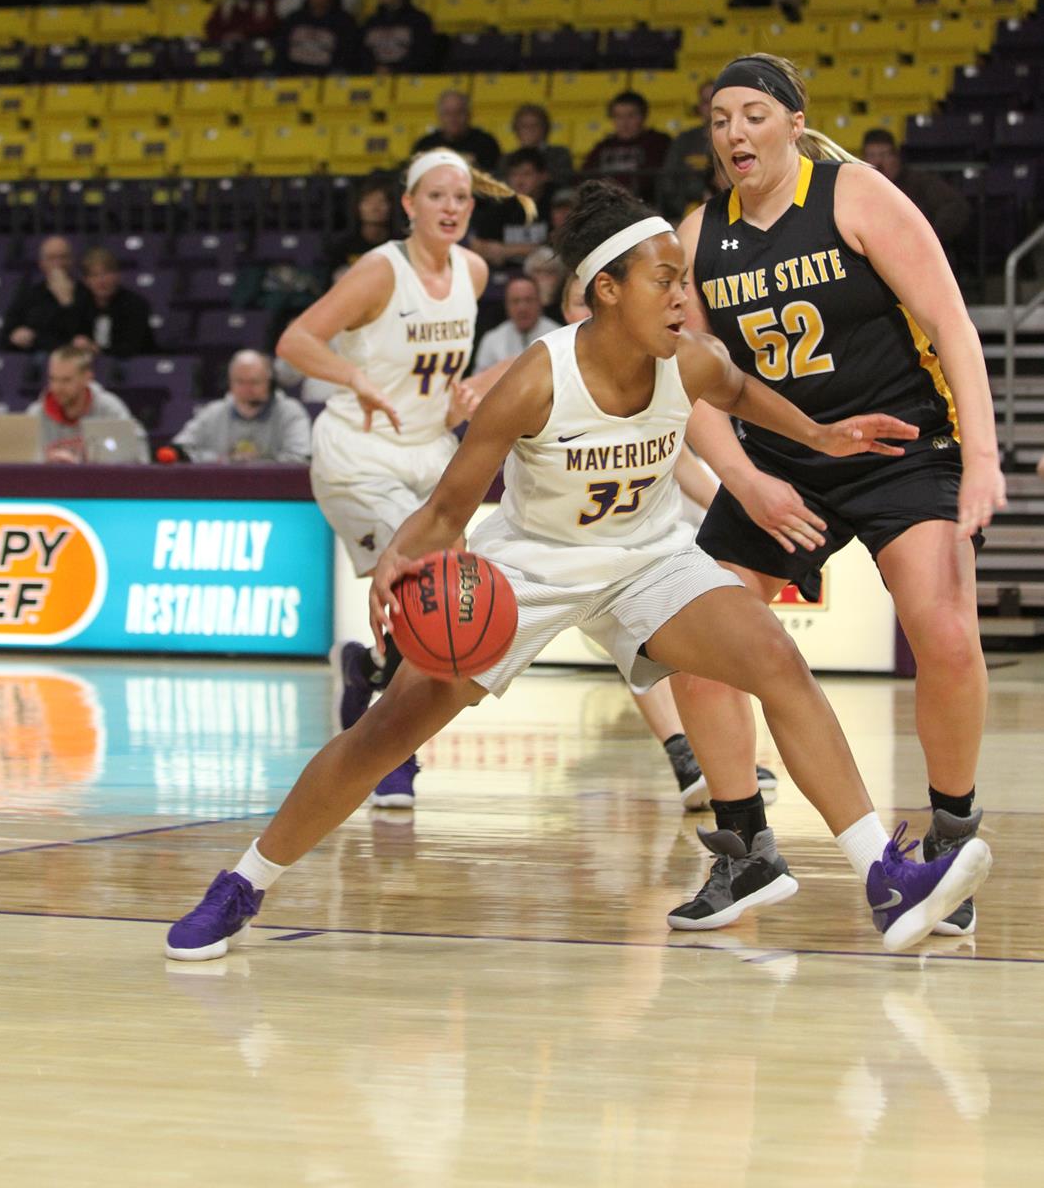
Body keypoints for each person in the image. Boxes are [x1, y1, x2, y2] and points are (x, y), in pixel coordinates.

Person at [164, 179, 992, 960]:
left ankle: (882, 876)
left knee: (775, 659)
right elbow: (453, 507)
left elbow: (739, 390)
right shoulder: (533, 382)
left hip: (645, 559)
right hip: (530, 571)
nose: (681, 296)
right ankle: (244, 883)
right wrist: (403, 559)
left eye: (683, 280)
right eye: (663, 280)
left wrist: (818, 438)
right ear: (606, 291)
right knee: (381, 734)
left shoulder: (686, 357)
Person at [677, 52, 1004, 938]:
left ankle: (949, 838)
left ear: (791, 119)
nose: (734, 133)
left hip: (902, 447)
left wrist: (980, 456)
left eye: (751, 114)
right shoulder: (700, 233)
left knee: (942, 633)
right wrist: (746, 479)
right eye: (719, 120)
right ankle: (745, 852)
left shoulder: (853, 196)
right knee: (697, 647)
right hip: (784, 464)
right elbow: (693, 382)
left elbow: (949, 322)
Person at [267, 148, 527, 812]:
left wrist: (465, 392)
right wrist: (353, 376)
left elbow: (444, 374)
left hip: (429, 449)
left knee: (445, 596)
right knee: (420, 583)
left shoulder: (471, 271)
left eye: (461, 198)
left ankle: (366, 672)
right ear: (407, 204)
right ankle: (393, 754)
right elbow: (295, 341)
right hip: (359, 451)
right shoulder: (380, 270)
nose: (451, 208)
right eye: (436, 196)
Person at [559, 270, 774, 812]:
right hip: (571, 547)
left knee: (694, 640)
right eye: (577, 309)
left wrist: (742, 508)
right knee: (649, 642)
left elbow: (683, 464)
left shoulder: (650, 371)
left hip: (653, 533)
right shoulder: (550, 370)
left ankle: (709, 758)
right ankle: (692, 755)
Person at [171, 350, 311, 464]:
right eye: (240, 382)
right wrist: (223, 461)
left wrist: (256, 464)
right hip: (220, 490)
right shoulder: (213, 411)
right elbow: (180, 450)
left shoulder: (290, 412)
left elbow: (301, 459)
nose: (246, 388)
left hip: (275, 490)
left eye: (254, 382)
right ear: (229, 382)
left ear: (270, 382)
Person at [26, 345, 149, 464]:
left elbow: (138, 458)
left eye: (66, 380)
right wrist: (46, 463)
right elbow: (21, 467)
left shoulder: (109, 409)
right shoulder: (35, 414)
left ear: (87, 377)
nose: (57, 387)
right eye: (53, 379)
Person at [860, 128, 971, 257]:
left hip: (920, 255)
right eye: (871, 156)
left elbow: (956, 205)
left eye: (884, 155)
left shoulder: (919, 181)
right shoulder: (859, 189)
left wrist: (930, 237)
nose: (878, 162)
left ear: (896, 156)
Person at [468, 148, 553, 270]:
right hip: (505, 275)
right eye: (514, 174)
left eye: (526, 174)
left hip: (544, 273)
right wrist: (532, 249)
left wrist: (504, 250)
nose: (519, 181)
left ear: (543, 176)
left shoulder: (554, 204)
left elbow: (557, 251)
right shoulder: (498, 205)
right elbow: (478, 247)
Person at [3, 236, 90, 353]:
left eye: (63, 257)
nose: (58, 263)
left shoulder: (85, 293)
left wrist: (67, 302)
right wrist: (15, 335)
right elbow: (5, 334)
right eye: (51, 258)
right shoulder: (29, 294)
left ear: (72, 261)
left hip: (71, 358)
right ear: (41, 263)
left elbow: (82, 335)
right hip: (33, 356)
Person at [581, 89, 670, 201]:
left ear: (644, 116)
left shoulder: (658, 142)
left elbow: (658, 181)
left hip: (644, 204)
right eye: (618, 116)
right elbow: (585, 177)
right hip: (605, 204)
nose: (624, 122)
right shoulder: (603, 146)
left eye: (631, 116)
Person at [275, 0, 359, 75]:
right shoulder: (293, 19)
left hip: (327, 81)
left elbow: (345, 60)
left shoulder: (346, 22)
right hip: (292, 79)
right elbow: (281, 54)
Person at [74, 248, 156, 358]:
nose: (101, 281)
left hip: (133, 368)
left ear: (118, 276)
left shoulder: (135, 305)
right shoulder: (80, 305)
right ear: (86, 281)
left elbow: (131, 348)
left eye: (106, 273)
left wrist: (96, 350)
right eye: (94, 275)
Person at [359, 0, 437, 76]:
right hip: (374, 78)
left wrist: (394, 71)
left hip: (407, 79)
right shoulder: (370, 22)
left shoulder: (419, 21)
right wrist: (374, 69)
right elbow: (362, 55)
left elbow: (422, 55)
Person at [473, 274, 559, 371]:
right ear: (506, 305)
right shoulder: (492, 340)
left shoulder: (559, 336)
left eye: (529, 300)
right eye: (515, 301)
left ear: (540, 302)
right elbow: (479, 381)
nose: (522, 308)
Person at [659, 81, 718, 223]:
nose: (711, 107)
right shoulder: (683, 140)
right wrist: (686, 207)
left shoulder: (738, 137)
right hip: (686, 212)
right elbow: (668, 182)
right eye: (705, 102)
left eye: (715, 100)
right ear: (699, 107)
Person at [412, 88, 500, 173]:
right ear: (439, 116)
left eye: (459, 112)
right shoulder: (425, 145)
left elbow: (496, 179)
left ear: (469, 115)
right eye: (447, 113)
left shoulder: (486, 144)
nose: (453, 118)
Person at [503, 103, 574, 183]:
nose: (529, 130)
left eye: (535, 125)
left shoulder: (559, 154)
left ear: (545, 128)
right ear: (516, 129)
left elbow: (564, 179)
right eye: (524, 126)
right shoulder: (507, 158)